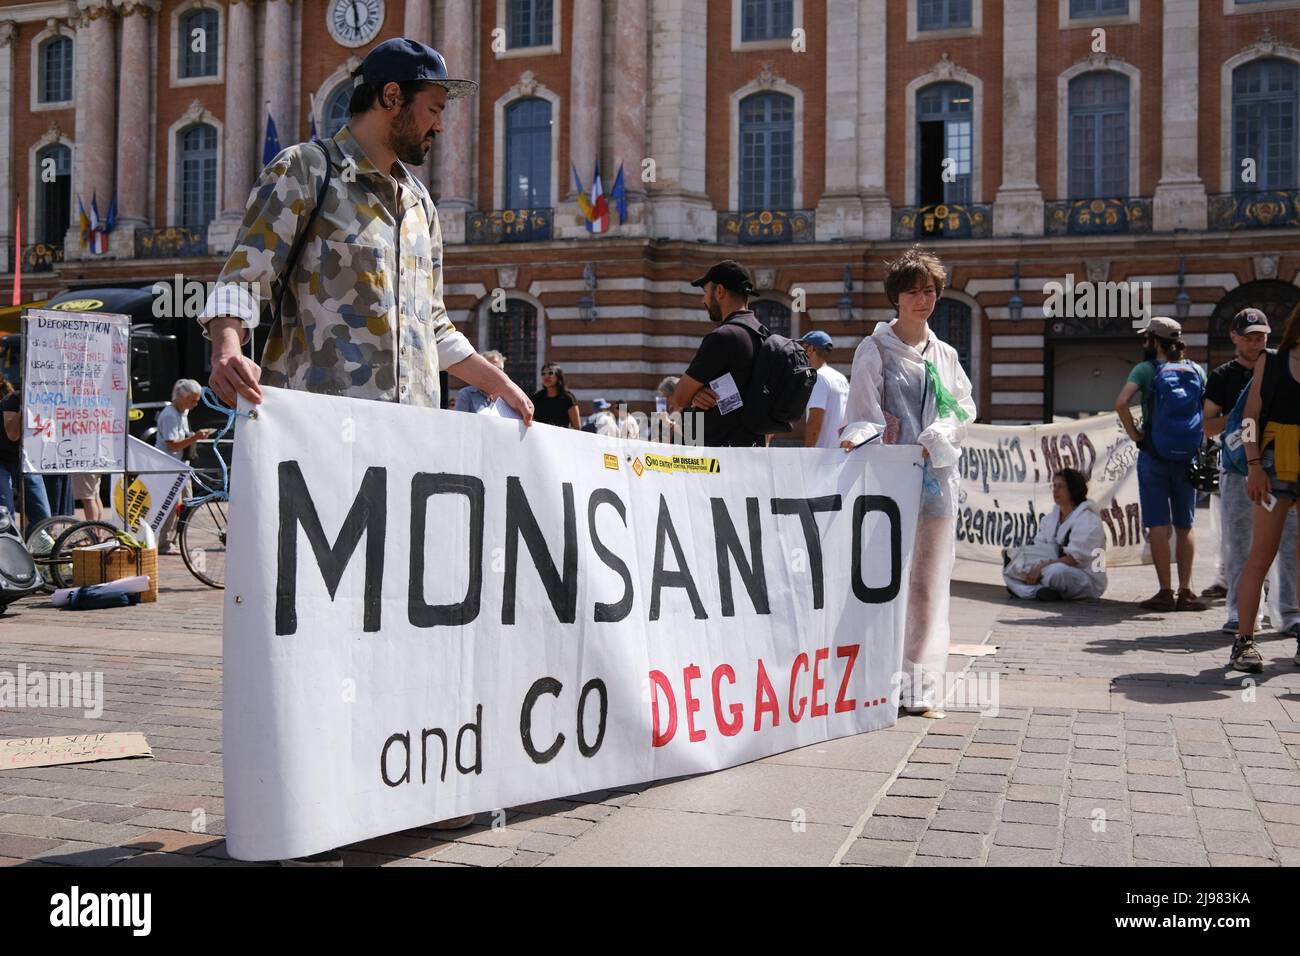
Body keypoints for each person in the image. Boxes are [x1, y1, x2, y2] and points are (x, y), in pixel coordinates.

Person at [198, 37, 529, 858]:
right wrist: (227, 343)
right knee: (323, 625)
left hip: (409, 453)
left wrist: (497, 383)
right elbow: (245, 272)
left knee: (408, 621)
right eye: (434, 106)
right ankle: (315, 790)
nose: (442, 124)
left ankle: (410, 778)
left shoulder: (419, 204)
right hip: (321, 454)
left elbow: (438, 326)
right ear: (390, 98)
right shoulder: (305, 172)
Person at [840, 247, 976, 717]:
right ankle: (875, 674)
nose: (923, 299)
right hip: (886, 485)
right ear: (896, 297)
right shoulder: (873, 349)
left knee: (927, 584)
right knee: (882, 580)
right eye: (914, 291)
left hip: (937, 482)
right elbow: (860, 415)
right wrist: (869, 437)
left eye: (931, 291)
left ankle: (917, 682)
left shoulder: (946, 353)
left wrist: (938, 433)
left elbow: (963, 408)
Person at [1202, 308, 1298, 638]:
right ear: (1235, 337)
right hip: (1239, 468)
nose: (1257, 342)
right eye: (1250, 336)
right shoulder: (1223, 376)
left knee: (1289, 544)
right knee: (1240, 544)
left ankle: (1288, 613)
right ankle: (1240, 615)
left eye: (1262, 336)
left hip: (1283, 466)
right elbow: (1208, 426)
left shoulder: (1280, 364)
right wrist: (1237, 422)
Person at [1113, 316, 1209, 613]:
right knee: (1185, 524)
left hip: (1154, 455)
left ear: (1154, 341)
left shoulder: (1145, 370)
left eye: (1147, 338)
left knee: (1158, 524)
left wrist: (1135, 435)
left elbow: (1121, 402)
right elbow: (1207, 409)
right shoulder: (1196, 370)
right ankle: (1187, 591)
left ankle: (1165, 593)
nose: (1144, 343)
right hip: (1188, 457)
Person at [1227, 304, 1300, 672]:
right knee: (1261, 555)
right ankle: (1244, 641)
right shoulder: (1271, 361)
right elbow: (1250, 417)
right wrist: (1254, 465)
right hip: (1273, 466)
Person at [668, 260, 765, 448]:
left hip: (717, 452)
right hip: (752, 448)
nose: (703, 300)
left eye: (705, 292)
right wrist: (696, 394)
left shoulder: (723, 337)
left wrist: (692, 394)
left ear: (719, 291)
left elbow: (679, 397)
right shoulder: (763, 335)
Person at [1003, 468, 1108, 602]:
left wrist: (1041, 567)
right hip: (1050, 566)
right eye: (1054, 486)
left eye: (1061, 486)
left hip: (1085, 578)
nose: (1055, 490)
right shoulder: (1050, 519)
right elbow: (1040, 548)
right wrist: (1028, 563)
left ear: (1073, 490)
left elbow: (1075, 559)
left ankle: (1028, 590)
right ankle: (1040, 591)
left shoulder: (1088, 521)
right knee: (1010, 564)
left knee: (1056, 572)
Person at [154, 380, 213, 553]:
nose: (195, 405)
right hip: (169, 466)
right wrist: (195, 438)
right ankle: (165, 543)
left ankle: (173, 539)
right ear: (181, 397)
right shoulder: (169, 415)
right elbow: (173, 446)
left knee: (187, 503)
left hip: (181, 466)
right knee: (172, 505)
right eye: (192, 400)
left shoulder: (183, 412)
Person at [0, 378, 51, 527]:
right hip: (3, 459)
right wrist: (25, 406)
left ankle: (31, 544)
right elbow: (13, 434)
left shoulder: (51, 403)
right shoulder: (13, 400)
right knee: (5, 512)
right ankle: (9, 546)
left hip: (27, 460)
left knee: (43, 516)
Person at [799, 331, 849, 449]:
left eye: (803, 348)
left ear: (811, 349)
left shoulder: (819, 378)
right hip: (840, 452)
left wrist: (808, 453)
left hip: (822, 455)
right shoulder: (840, 378)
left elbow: (815, 419)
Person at [531, 364, 580, 428]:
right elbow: (530, 421)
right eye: (543, 374)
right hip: (540, 437)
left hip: (561, 436)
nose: (546, 376)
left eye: (550, 373)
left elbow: (577, 427)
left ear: (558, 376)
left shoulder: (568, 398)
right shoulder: (536, 398)